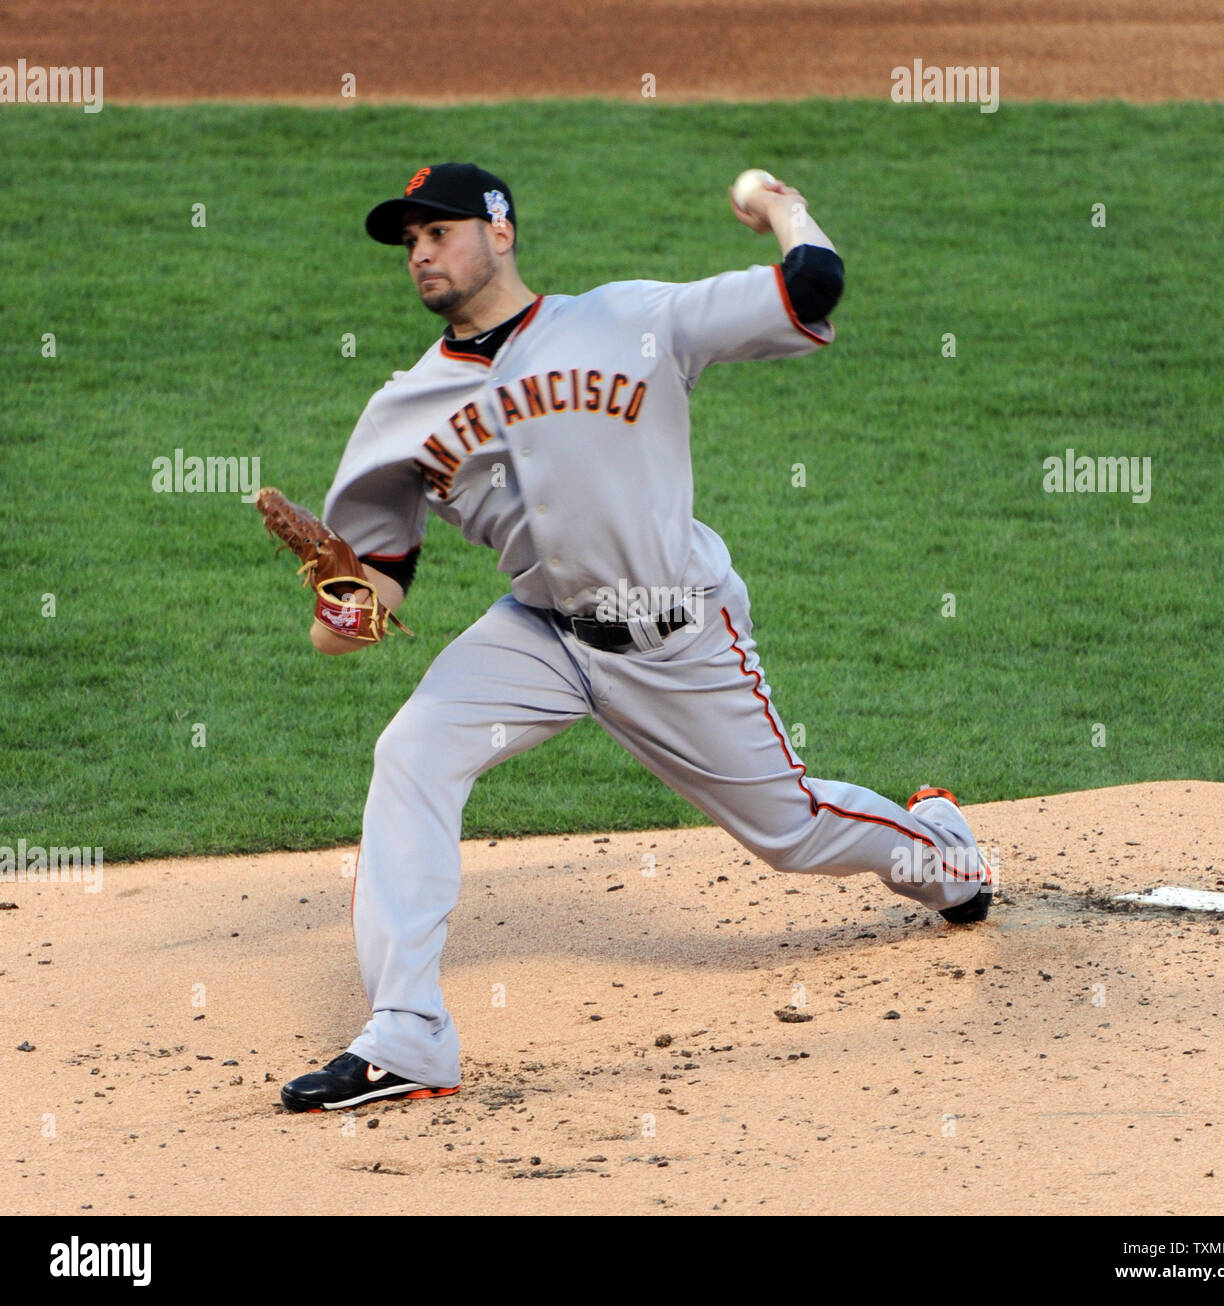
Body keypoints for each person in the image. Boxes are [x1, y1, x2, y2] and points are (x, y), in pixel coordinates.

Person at [279, 161, 992, 1113]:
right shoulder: (401, 409)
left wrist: (782, 208)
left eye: (438, 231)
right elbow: (377, 595)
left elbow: (808, 289)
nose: (421, 254)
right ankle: (408, 1038)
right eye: (408, 242)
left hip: (674, 636)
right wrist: (346, 601)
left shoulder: (628, 320)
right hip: (538, 635)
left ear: (500, 230)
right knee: (410, 753)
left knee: (791, 832)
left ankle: (948, 857)